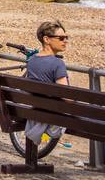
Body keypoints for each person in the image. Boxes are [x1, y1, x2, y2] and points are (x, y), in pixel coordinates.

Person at [23, 20, 70, 151]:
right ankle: (98, 155)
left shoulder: (31, 61)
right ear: (46, 39)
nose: (65, 41)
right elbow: (67, 96)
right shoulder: (58, 64)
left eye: (66, 37)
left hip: (35, 113)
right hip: (52, 117)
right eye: (61, 38)